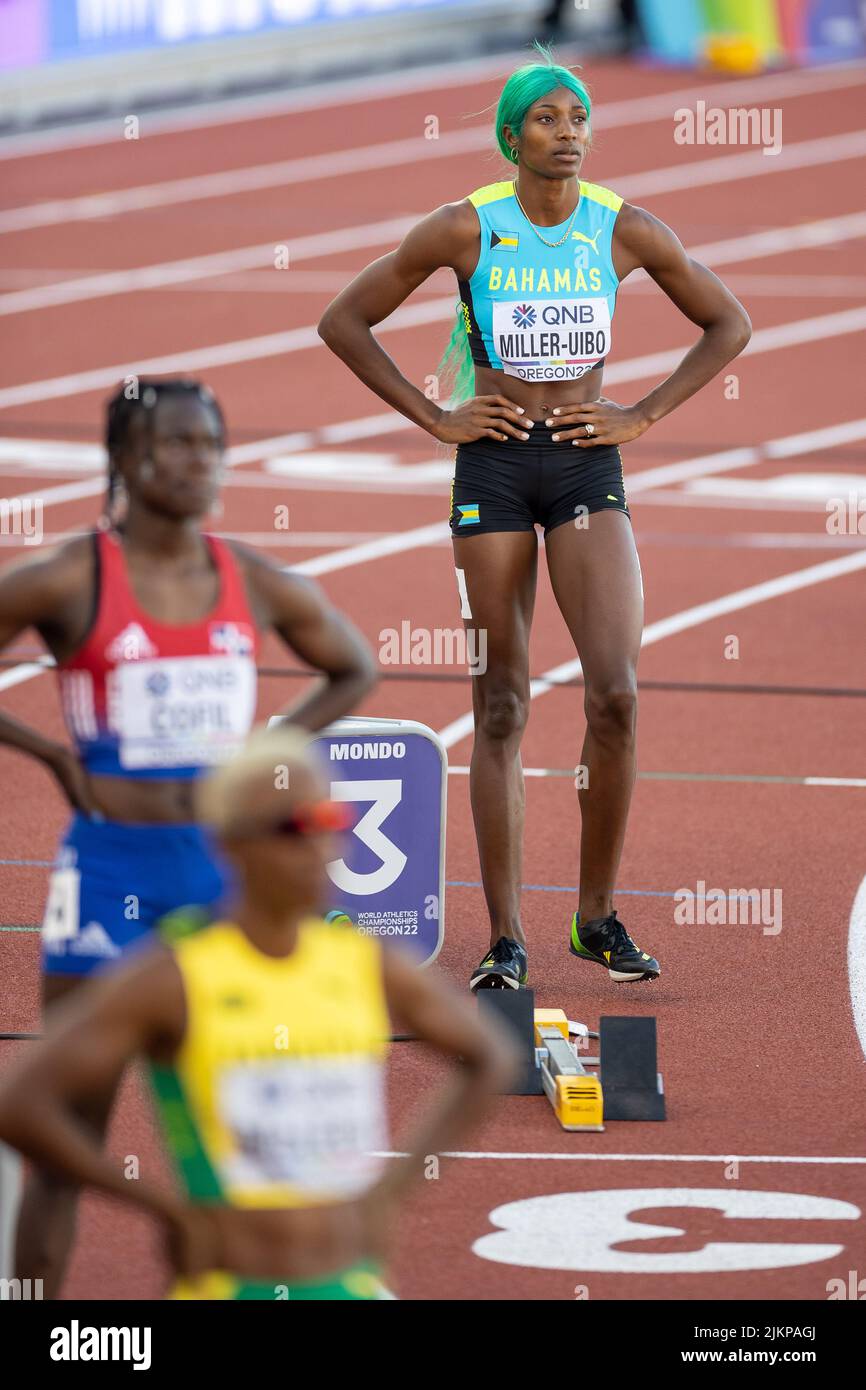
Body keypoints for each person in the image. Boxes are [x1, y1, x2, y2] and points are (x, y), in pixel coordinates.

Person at [317, 49, 751, 992]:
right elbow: (344, 320)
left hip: (589, 465)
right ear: (512, 137)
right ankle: (506, 937)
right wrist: (436, 416)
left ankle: (594, 918)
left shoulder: (625, 229)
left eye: (580, 118)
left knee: (616, 693)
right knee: (502, 701)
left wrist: (641, 415)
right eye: (549, 120)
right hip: (498, 469)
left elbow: (730, 323)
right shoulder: (464, 230)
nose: (570, 134)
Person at [0, 376, 378, 1293]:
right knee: (67, 1140)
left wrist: (264, 753)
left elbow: (352, 666)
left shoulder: (250, 577)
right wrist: (49, 752)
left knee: (245, 1128)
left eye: (210, 444)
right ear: (126, 459)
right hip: (109, 870)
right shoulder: (66, 576)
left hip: (217, 877)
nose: (197, 462)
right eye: (175, 444)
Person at [0, 727, 516, 1300]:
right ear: (231, 843)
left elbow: (490, 1057)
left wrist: (389, 1191)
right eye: (295, 828)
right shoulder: (171, 977)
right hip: (228, 1283)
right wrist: (167, 1210)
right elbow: (19, 1103)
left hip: (347, 1283)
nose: (323, 847)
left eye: (331, 823)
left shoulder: (367, 963)